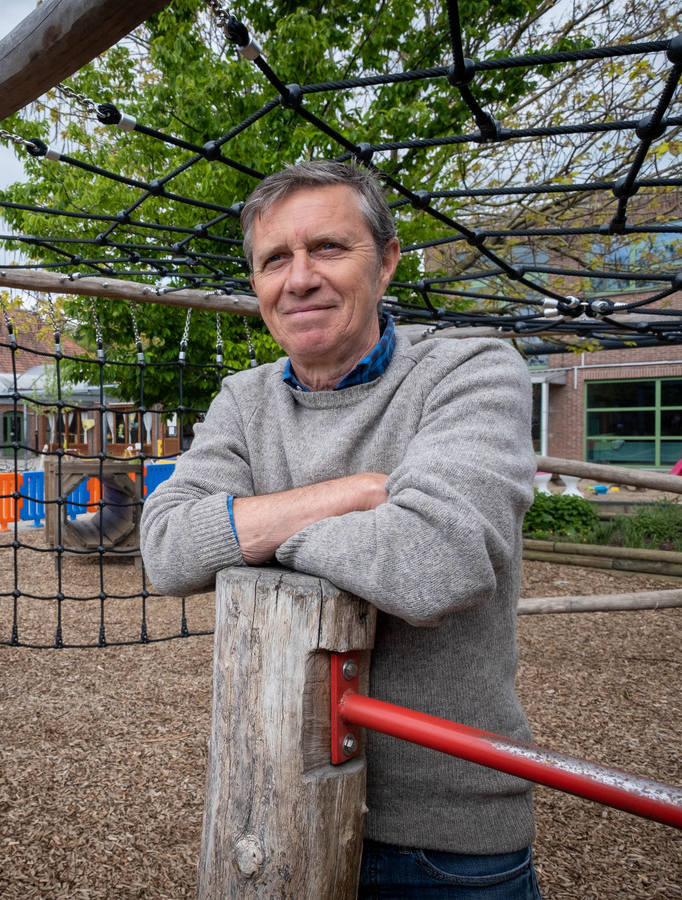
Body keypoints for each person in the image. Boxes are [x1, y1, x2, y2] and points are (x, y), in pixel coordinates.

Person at [141, 160, 540, 898]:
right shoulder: (244, 399)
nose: (299, 279)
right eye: (274, 260)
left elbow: (435, 562)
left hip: (445, 838)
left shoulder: (470, 370)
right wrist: (351, 496)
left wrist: (251, 531)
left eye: (328, 247)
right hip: (271, 806)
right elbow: (165, 548)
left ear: (386, 261)